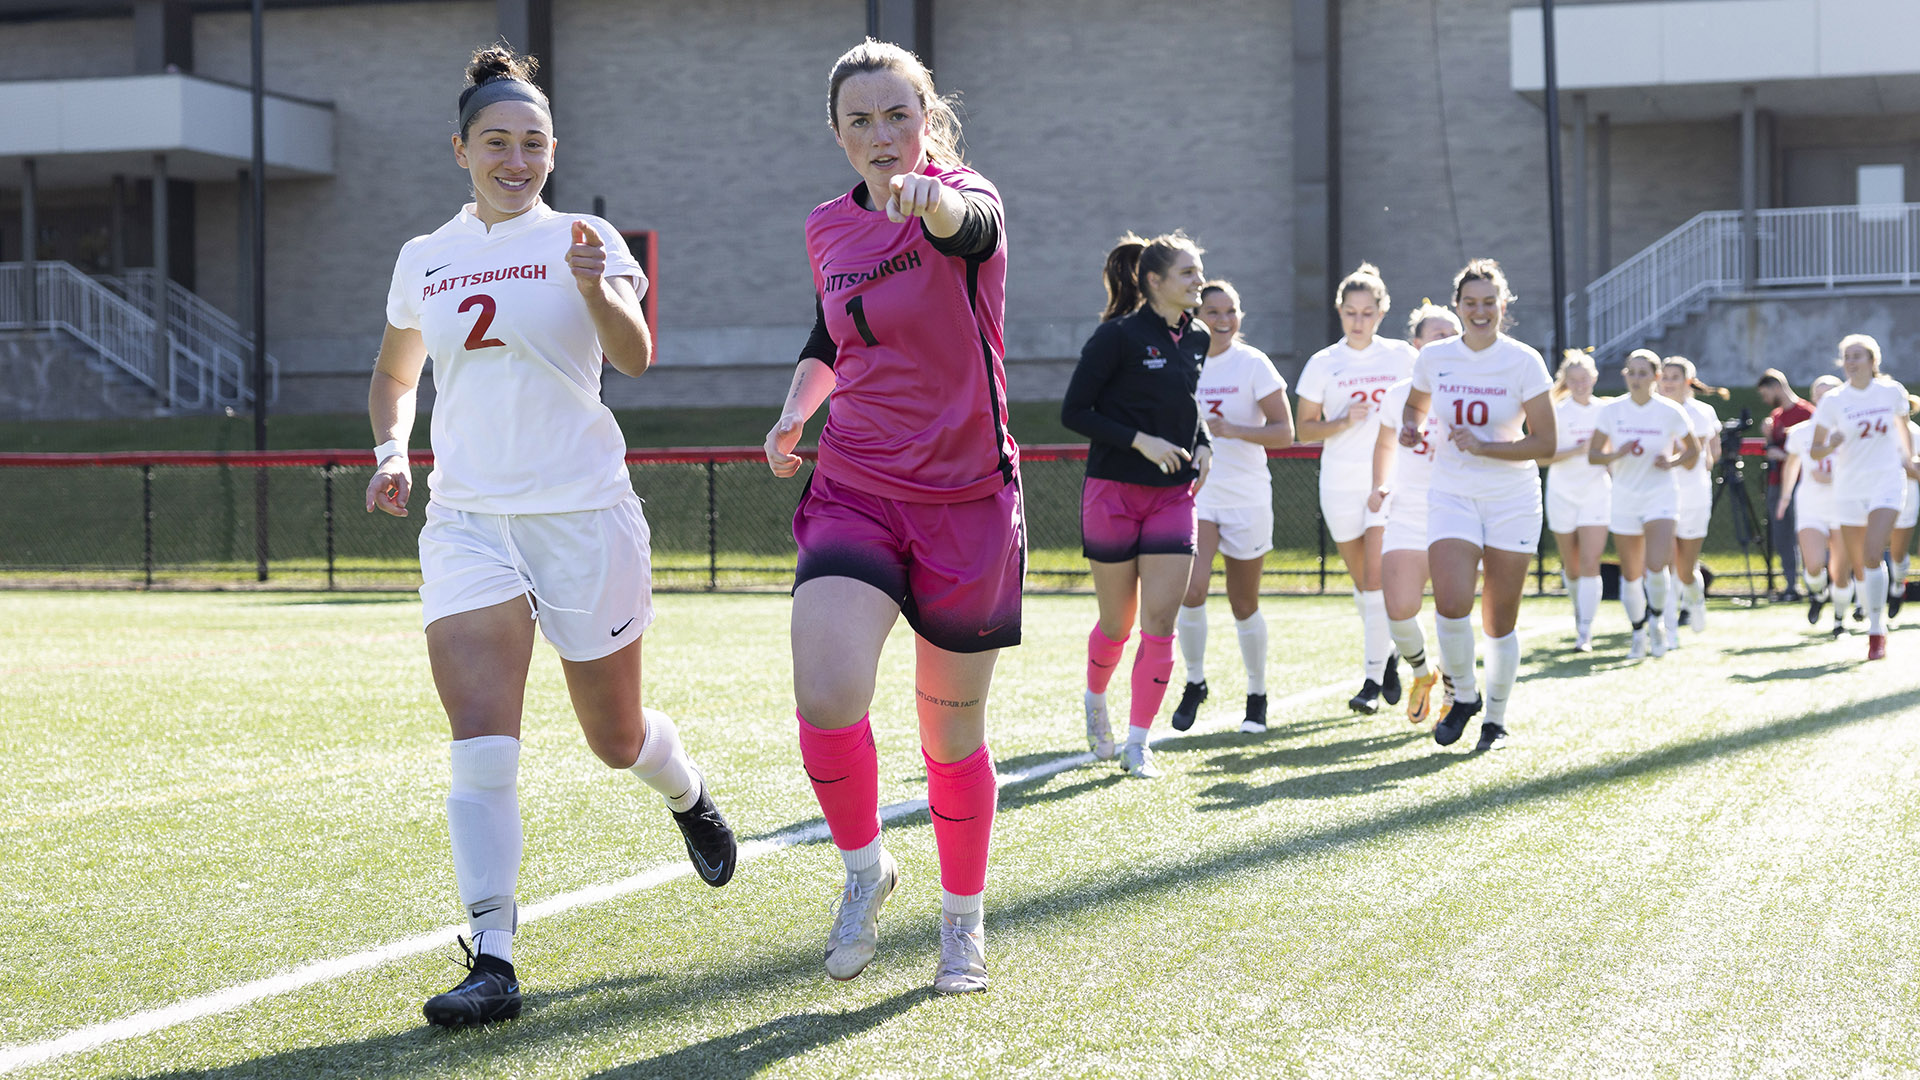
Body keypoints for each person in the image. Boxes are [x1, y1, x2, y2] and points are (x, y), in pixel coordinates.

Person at [367, 45, 736, 1028]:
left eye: (534, 143)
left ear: (554, 151)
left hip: (582, 515)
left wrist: (597, 289)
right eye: (497, 142)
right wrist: (393, 450)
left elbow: (636, 357)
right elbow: (397, 373)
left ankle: (685, 791)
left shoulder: (585, 237)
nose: (516, 159)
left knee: (616, 739)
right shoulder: (424, 256)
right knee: (482, 746)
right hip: (469, 522)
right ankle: (492, 956)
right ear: (460, 150)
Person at [761, 39, 1018, 995]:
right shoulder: (827, 227)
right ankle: (866, 870)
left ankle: (962, 922)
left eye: (898, 116)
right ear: (837, 134)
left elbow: (971, 228)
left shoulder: (965, 197)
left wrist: (930, 201)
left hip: (967, 502)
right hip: (857, 483)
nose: (881, 135)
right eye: (860, 121)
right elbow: (831, 335)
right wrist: (797, 409)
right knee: (827, 694)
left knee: (950, 735)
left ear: (928, 119)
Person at [1063, 232, 1213, 777]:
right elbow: (1075, 412)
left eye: (1198, 271)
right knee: (1116, 624)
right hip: (1113, 493)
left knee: (1160, 622)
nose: (1199, 281)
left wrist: (1204, 443)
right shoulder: (1118, 336)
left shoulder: (1198, 336)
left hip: (1173, 497)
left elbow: (1187, 403)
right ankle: (1095, 699)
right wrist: (1139, 441)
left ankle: (1137, 743)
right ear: (1155, 280)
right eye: (1188, 273)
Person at [1398, 258, 1555, 751]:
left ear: (1503, 305)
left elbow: (1547, 443)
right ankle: (1464, 695)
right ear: (1458, 306)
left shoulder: (1524, 360)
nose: (1480, 311)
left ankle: (1496, 719)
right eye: (1471, 303)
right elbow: (1415, 405)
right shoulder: (1435, 356)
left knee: (1498, 620)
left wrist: (1489, 447)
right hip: (1453, 492)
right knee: (1450, 603)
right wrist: (1410, 427)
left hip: (1512, 498)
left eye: (1489, 302)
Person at [1296, 263, 1419, 715]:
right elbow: (1303, 429)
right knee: (1364, 584)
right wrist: (1341, 420)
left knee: (1374, 580)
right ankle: (1388, 655)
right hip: (1339, 481)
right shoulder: (1323, 363)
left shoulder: (1403, 356)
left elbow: (1422, 409)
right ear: (1339, 312)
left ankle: (1370, 681)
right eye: (1351, 312)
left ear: (1382, 312)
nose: (1359, 321)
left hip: (1387, 483)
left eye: (1368, 312)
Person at [1171, 281, 1293, 734]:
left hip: (1247, 494)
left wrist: (1234, 430)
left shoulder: (1253, 363)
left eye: (1231, 311)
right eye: (1213, 312)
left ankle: (1256, 695)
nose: (1223, 320)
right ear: (1195, 315)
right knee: (1192, 589)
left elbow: (1285, 433)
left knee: (1244, 602)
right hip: (1198, 493)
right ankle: (1195, 682)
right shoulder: (1181, 358)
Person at [1366, 301, 1460, 725]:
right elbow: (1385, 443)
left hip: (1457, 512)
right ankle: (1423, 674)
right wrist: (1380, 484)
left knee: (1451, 610)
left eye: (1453, 335)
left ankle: (1456, 690)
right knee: (1399, 609)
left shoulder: (1472, 390)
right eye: (1438, 335)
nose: (1447, 342)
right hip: (1407, 512)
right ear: (1418, 345)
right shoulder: (1398, 393)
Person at [1809, 333, 1920, 660]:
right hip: (1849, 487)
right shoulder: (1833, 401)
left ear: (1873, 361)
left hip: (1886, 481)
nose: (1851, 362)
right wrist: (1830, 444)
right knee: (1860, 563)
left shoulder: (1891, 391)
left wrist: (1909, 459)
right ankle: (1874, 616)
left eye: (1858, 356)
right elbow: (1815, 451)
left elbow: (1903, 428)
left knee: (1873, 554)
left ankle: (1876, 630)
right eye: (1847, 356)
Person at [1589, 349, 1699, 661]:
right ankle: (1638, 633)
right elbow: (1594, 455)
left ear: (1656, 377)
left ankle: (1658, 623)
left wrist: (1671, 461)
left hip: (1661, 496)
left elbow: (1693, 451)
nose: (1636, 378)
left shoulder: (1669, 411)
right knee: (1631, 574)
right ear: (1625, 375)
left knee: (1656, 566)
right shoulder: (1612, 411)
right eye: (1631, 372)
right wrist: (1617, 453)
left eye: (1643, 373)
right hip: (1625, 498)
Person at [1542, 351, 1611, 651]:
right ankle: (1579, 611)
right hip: (1562, 494)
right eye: (1574, 380)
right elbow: (1542, 457)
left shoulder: (1606, 411)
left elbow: (1612, 453)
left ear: (1594, 378)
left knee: (1590, 561)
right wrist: (1577, 450)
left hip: (1596, 493)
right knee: (1571, 566)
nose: (1580, 384)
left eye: (1584, 378)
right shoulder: (1556, 411)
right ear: (1566, 381)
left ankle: (1585, 631)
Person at [1658, 356, 1727, 642]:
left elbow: (1698, 459)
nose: (1668, 383)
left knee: (1685, 568)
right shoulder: (1653, 410)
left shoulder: (1700, 412)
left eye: (1674, 377)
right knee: (1664, 563)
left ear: (1687, 381)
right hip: (1661, 496)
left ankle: (1694, 599)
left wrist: (1672, 459)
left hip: (1694, 495)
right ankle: (1666, 628)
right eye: (1664, 377)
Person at [1777, 375, 1846, 636]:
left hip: (1843, 506)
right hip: (1811, 505)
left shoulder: (1850, 429)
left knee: (1840, 570)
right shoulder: (1802, 432)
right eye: (1820, 394)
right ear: (1814, 398)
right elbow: (1792, 465)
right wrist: (1784, 497)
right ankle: (1818, 594)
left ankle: (1839, 621)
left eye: (1831, 394)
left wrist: (1836, 478)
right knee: (1814, 565)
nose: (1825, 399)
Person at [1759, 370, 1814, 599]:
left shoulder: (1806, 413)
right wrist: (1768, 436)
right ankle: (1792, 585)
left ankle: (1814, 584)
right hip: (1777, 483)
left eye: (1766, 394)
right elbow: (1775, 447)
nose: (1765, 400)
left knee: (1805, 534)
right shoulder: (1776, 415)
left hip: (1800, 483)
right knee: (1783, 536)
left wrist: (1781, 455)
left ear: (1776, 387)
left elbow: (1812, 451)